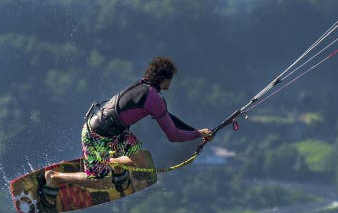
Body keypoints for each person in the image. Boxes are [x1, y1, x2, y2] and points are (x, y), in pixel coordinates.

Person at [45, 56, 214, 189]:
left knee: (143, 163)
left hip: (117, 132)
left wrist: (197, 131)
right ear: (164, 80)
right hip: (96, 135)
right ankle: (54, 177)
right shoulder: (153, 97)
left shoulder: (145, 86)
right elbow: (173, 136)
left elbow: (168, 117)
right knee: (102, 183)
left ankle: (110, 162)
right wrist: (198, 134)